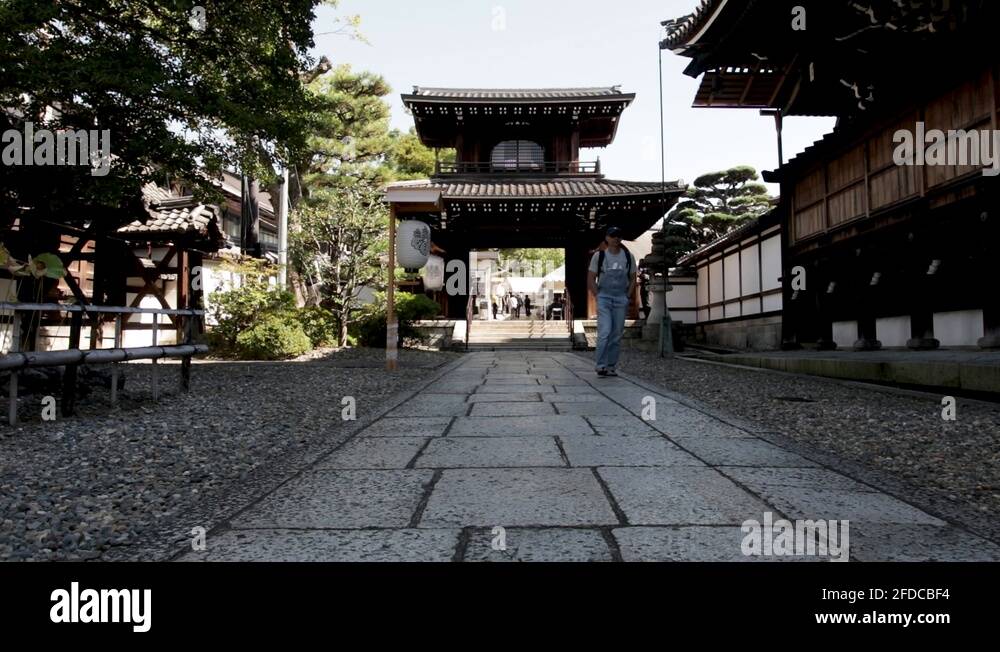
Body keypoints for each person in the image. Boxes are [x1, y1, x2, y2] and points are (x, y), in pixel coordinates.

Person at [587, 226, 636, 377]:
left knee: (616, 334)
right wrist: (597, 295)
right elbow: (591, 277)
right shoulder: (599, 256)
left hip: (621, 298)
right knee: (605, 331)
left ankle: (611, 366)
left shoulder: (628, 256)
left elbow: (633, 277)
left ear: (621, 238)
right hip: (605, 297)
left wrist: (627, 295)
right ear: (607, 238)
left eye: (618, 236)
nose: (615, 238)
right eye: (612, 235)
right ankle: (600, 365)